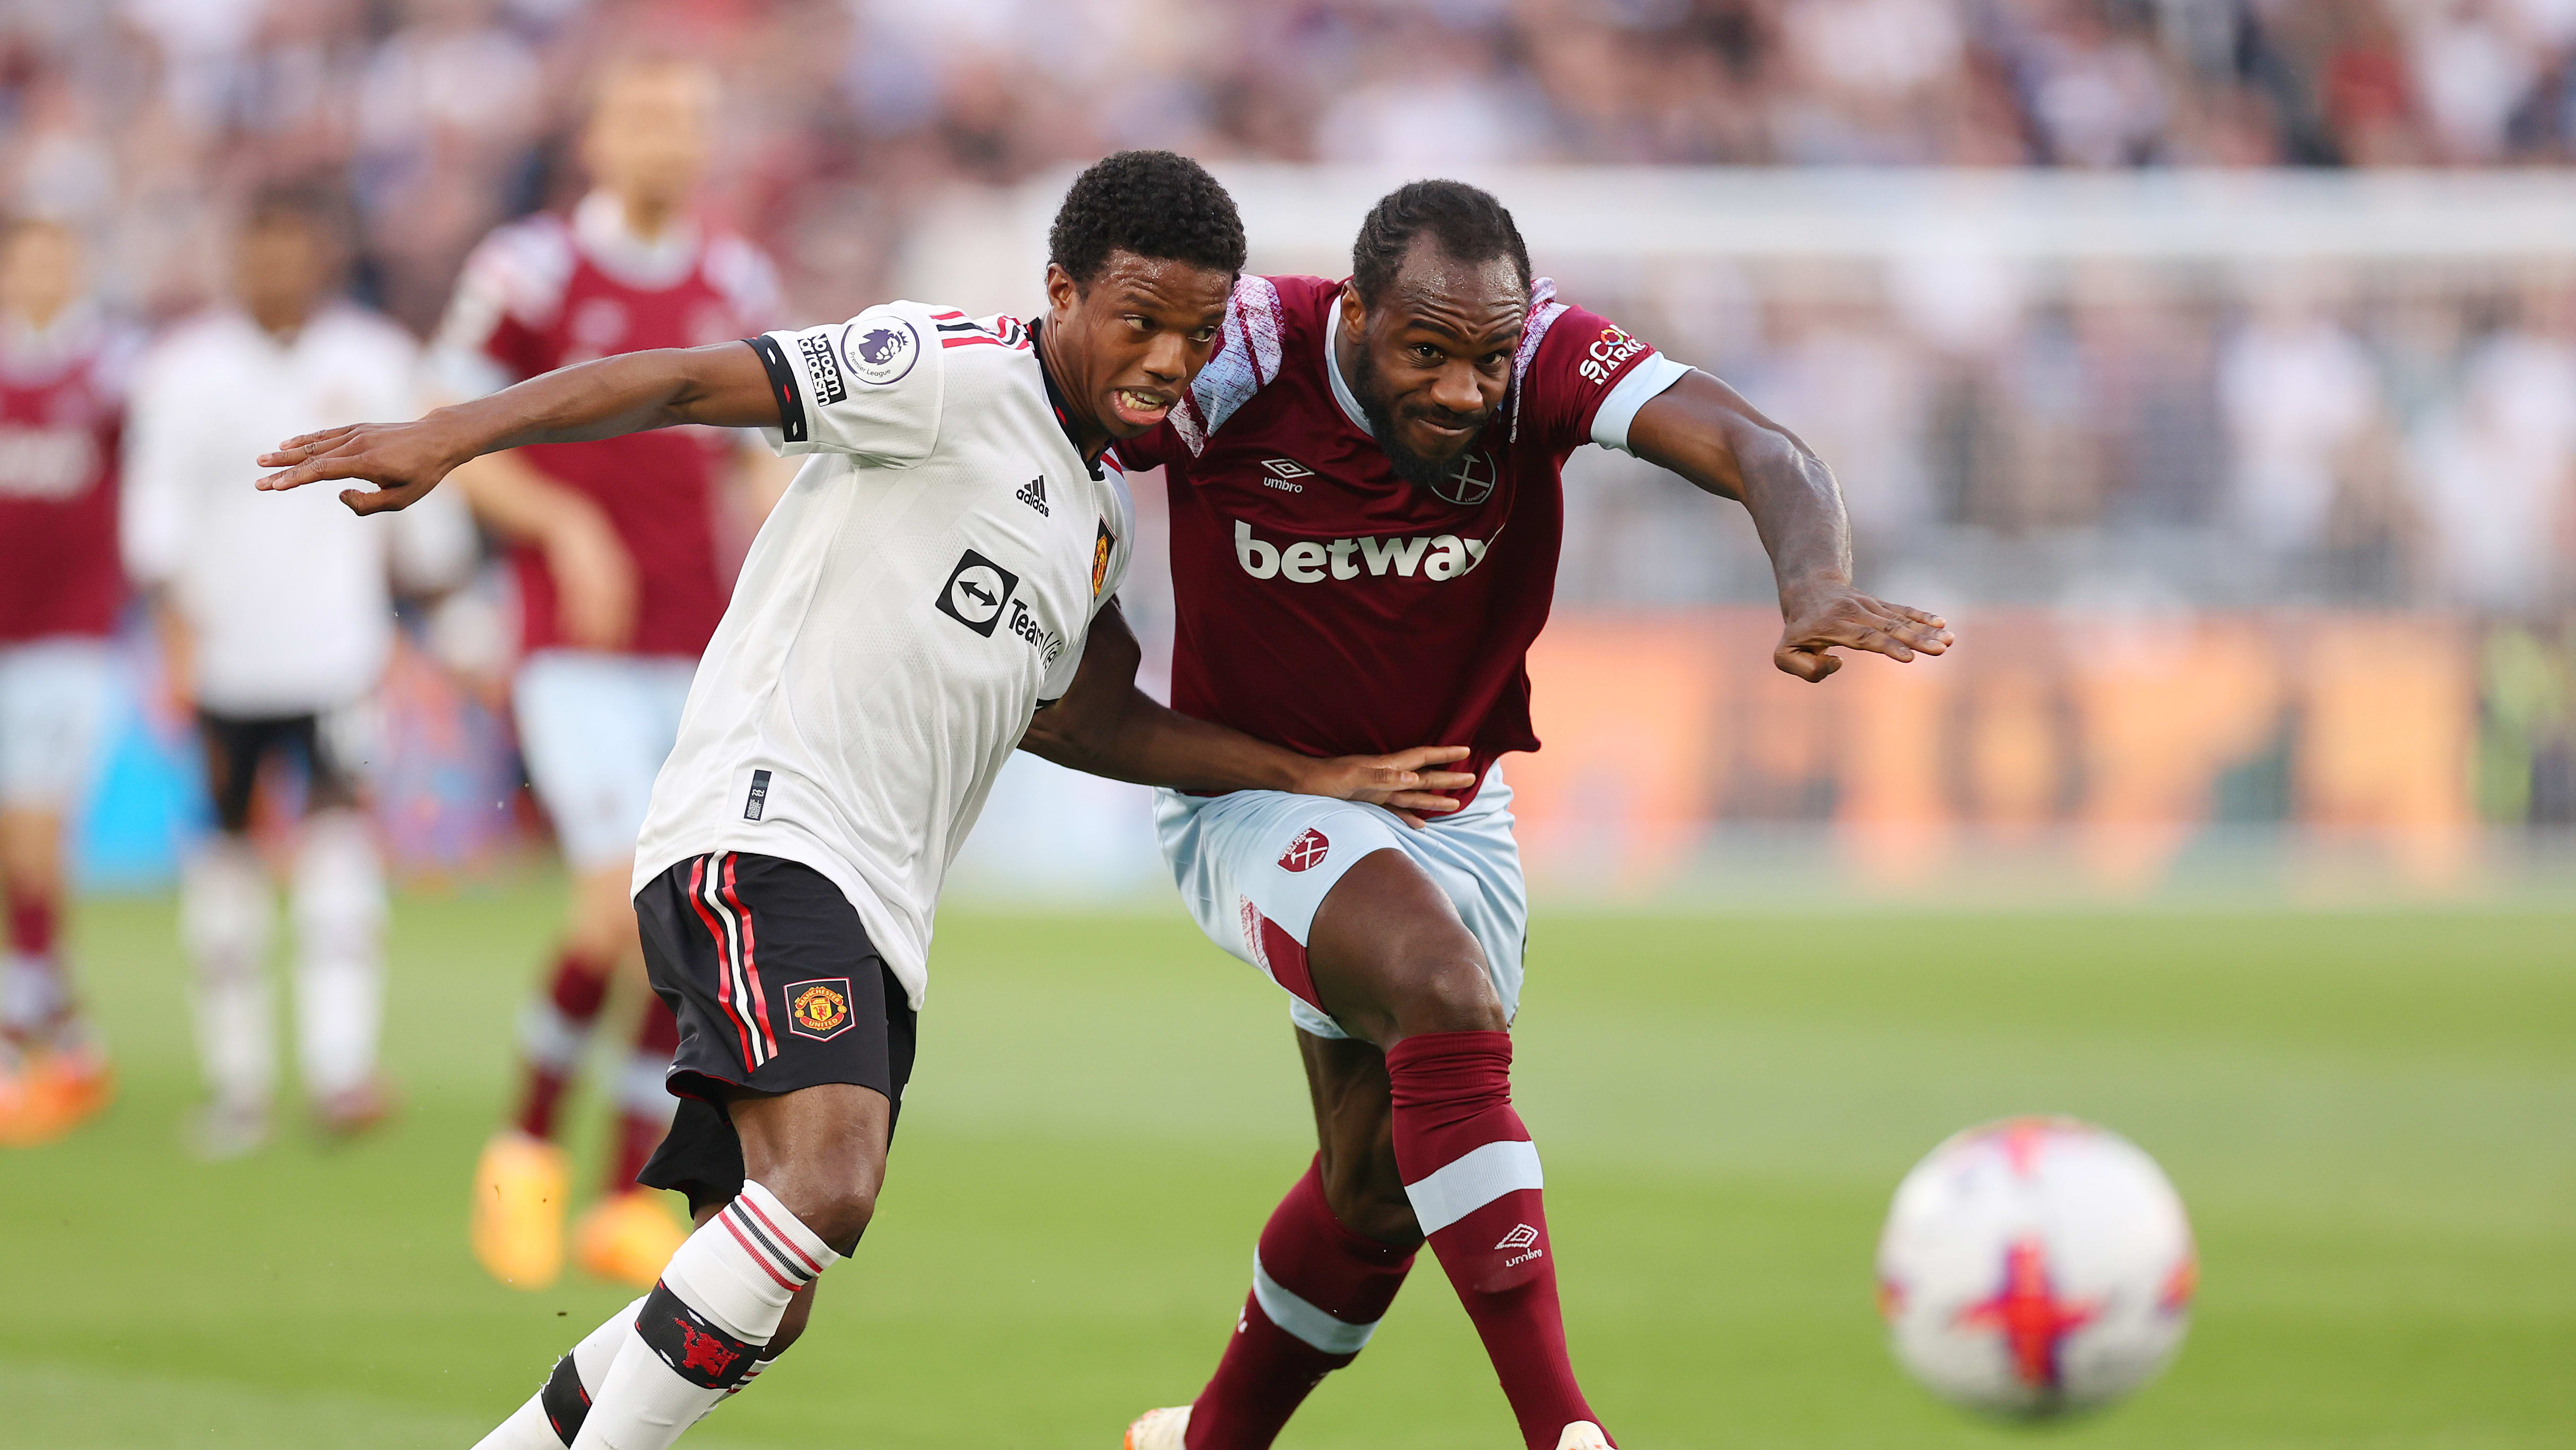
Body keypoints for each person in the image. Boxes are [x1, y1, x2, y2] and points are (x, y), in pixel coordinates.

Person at [253, 151, 1472, 1450]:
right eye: (1140, 318)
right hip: (769, 827)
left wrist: (1313, 777)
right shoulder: (944, 367)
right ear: (1059, 290)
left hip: (882, 904)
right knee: (826, 1186)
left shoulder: (1098, 508)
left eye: (1194, 329)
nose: (1170, 358)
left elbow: (1088, 717)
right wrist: (455, 434)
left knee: (764, 1290)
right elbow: (681, 377)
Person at [1101, 181, 1952, 1450]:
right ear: (1356, 313)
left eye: (1486, 358)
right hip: (1256, 793)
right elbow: (1073, 406)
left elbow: (1764, 450)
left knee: (1377, 1188)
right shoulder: (1248, 352)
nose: (1460, 389)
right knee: (1440, 986)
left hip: (1449, 800)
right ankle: (1565, 1430)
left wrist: (1812, 577)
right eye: (1424, 352)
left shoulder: (1549, 357)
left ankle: (1206, 1442)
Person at [432, 54, 792, 1293]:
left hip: (697, 649)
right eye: (646, 115)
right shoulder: (528, 268)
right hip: (572, 650)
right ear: (597, 137)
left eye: (688, 118)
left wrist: (784, 560)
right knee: (612, 904)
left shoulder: (734, 276)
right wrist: (565, 528)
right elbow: (457, 433)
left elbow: (761, 457)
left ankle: (624, 1189)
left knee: (680, 915)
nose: (668, 140)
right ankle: (527, 1143)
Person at [123, 186, 475, 1158]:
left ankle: (338, 1071)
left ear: (324, 256)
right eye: (261, 250)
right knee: (227, 859)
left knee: (336, 855)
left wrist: (444, 612)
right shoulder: (184, 371)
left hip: (336, 653)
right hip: (227, 654)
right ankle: (237, 1087)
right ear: (236, 258)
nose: (279, 269)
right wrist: (178, 639)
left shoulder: (370, 357)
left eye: (296, 250)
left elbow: (428, 501)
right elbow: (158, 512)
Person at [0, 217, 132, 1145]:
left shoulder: (113, 373)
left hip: (73, 641)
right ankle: (74, 1039)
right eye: (29, 259)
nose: (45, 273)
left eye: (58, 256)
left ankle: (16, 1050)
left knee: (34, 837)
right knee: (21, 851)